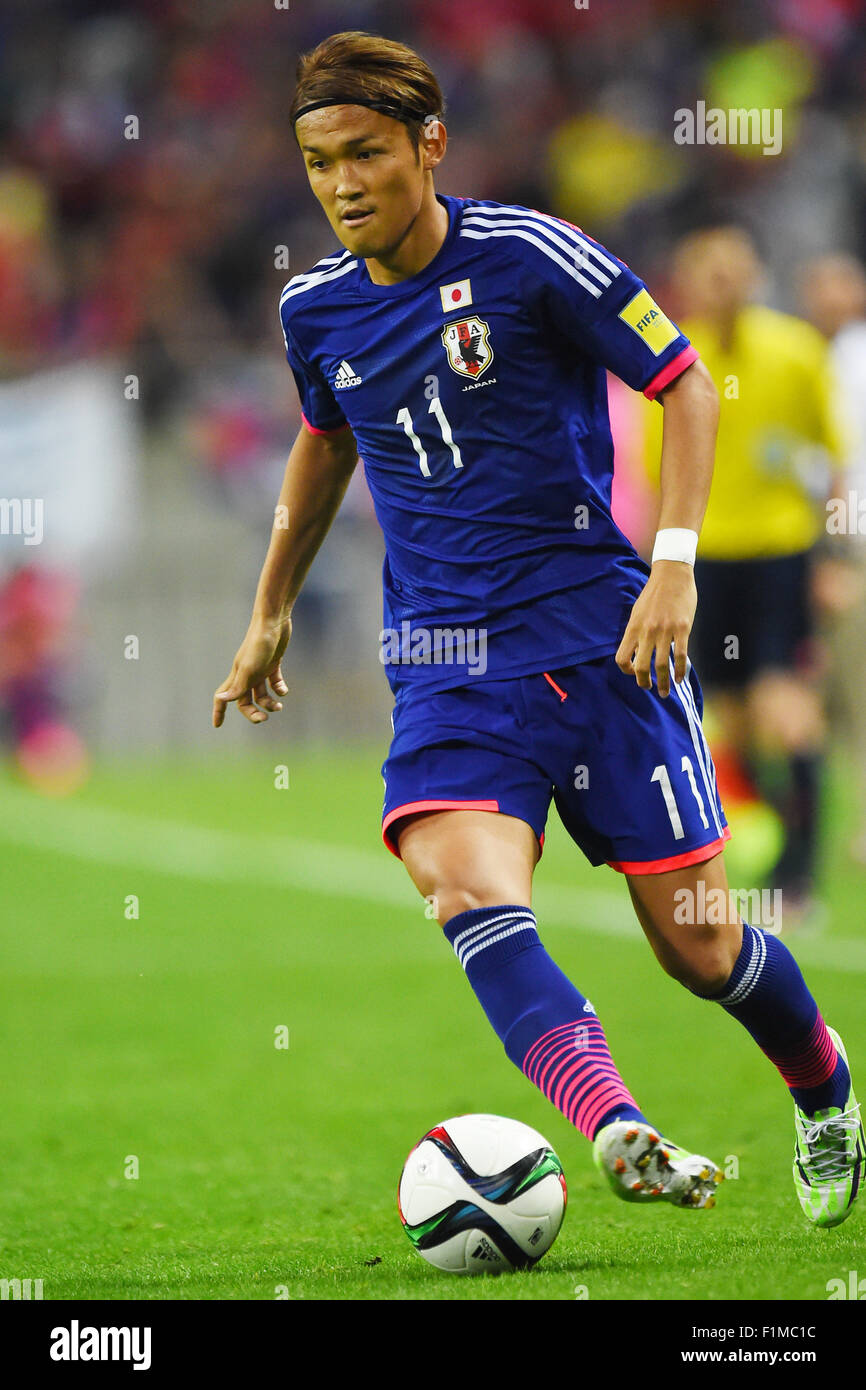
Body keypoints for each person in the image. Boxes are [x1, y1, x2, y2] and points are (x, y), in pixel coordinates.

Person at [213, 32, 863, 1228]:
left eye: (365, 154)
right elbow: (323, 438)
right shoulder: (315, 312)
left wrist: (671, 568)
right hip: (447, 666)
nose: (343, 184)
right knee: (464, 886)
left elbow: (682, 381)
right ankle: (613, 1125)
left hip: (601, 649)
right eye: (318, 164)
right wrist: (269, 611)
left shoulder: (525, 255)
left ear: (428, 144)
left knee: (699, 949)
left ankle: (822, 1088)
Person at [645, 225, 846, 922]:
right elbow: (658, 471)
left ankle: (799, 877)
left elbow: (830, 460)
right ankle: (770, 855)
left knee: (782, 705)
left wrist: (835, 558)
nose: (723, 283)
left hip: (780, 556)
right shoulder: (670, 358)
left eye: (734, 269)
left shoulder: (795, 352)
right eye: (708, 272)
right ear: (689, 283)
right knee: (727, 716)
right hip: (704, 563)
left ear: (755, 273)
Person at [800, 253, 866, 865]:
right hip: (828, 541)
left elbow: (840, 463)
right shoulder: (823, 355)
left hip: (850, 545)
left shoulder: (846, 359)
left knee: (853, 685)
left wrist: (838, 554)